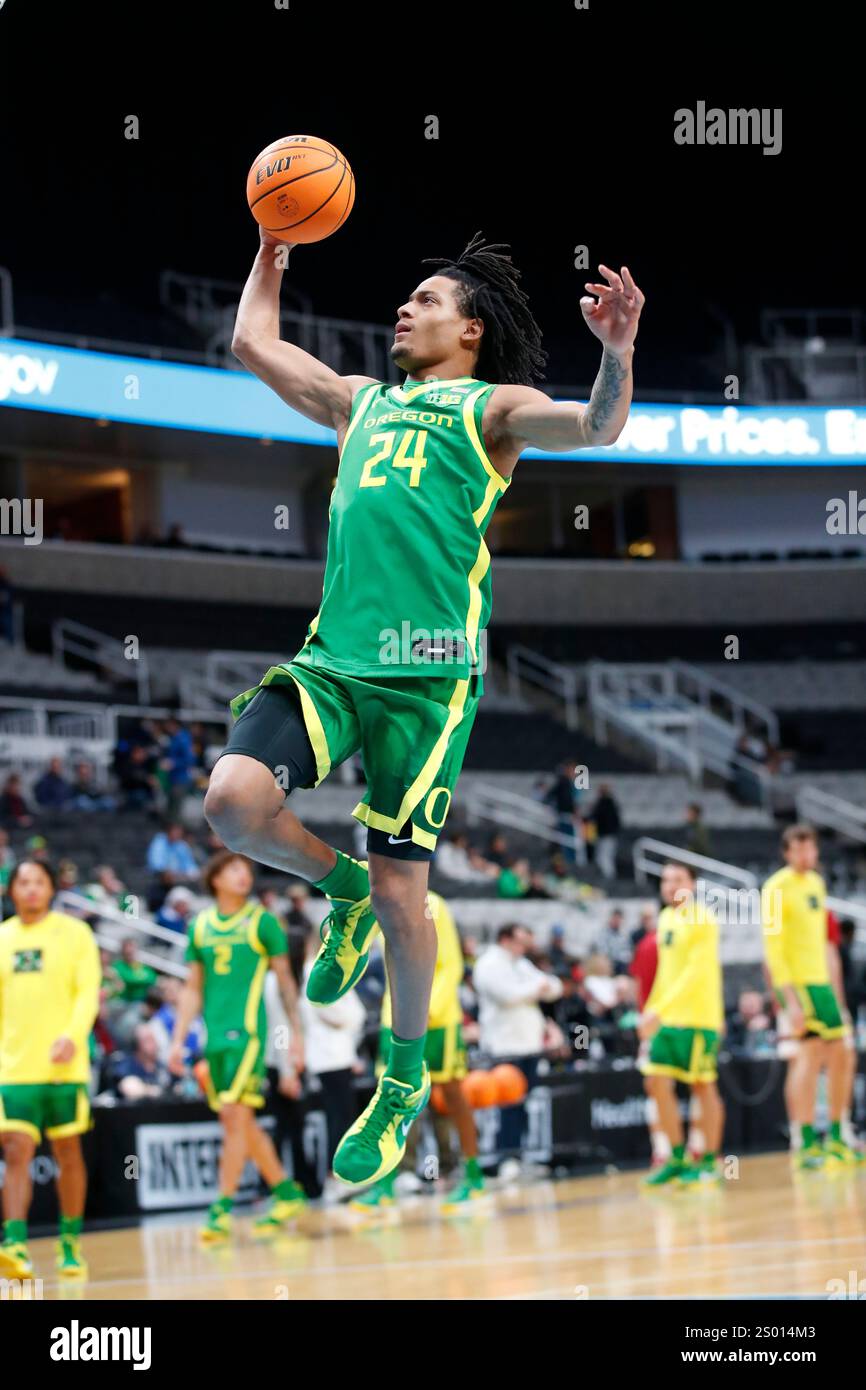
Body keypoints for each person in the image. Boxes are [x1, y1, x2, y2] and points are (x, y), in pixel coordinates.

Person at [202, 227, 642, 1190]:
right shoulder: (359, 404)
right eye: (405, 301)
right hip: (333, 660)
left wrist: (617, 352)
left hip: (429, 678)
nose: (404, 310)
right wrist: (272, 252)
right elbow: (251, 344)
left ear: (471, 329)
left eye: (426, 301)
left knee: (412, 893)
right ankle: (339, 885)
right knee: (232, 801)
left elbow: (599, 427)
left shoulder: (493, 410)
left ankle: (402, 1083)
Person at [168, 851, 306, 1242]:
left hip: (247, 1037)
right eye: (233, 869)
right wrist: (178, 1040)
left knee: (232, 1117)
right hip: (214, 1038)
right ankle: (285, 1192)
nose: (243, 876)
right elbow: (193, 988)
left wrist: (295, 1037)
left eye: (246, 869)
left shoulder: (262, 922)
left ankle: (221, 1208)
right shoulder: (199, 927)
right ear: (215, 879)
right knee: (238, 1121)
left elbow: (285, 983)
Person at [351, 891, 484, 1213]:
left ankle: (474, 1176)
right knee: (390, 1103)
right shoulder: (382, 902)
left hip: (436, 1019)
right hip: (393, 1017)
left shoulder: (436, 904)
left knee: (453, 1096)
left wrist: (424, 1008)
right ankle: (384, 1185)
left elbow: (450, 966)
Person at [0, 860, 101, 1279]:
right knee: (16, 1150)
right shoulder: (2, 937)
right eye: (23, 882)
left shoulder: (75, 933)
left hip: (65, 1067)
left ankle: (70, 1244)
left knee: (67, 1153)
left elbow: (88, 991)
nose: (31, 889)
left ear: (51, 888)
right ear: (12, 891)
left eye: (39, 881)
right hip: (14, 1069)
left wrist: (73, 1035)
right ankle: (16, 1245)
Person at [762, 826, 858, 1169]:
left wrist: (835, 992)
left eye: (810, 850)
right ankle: (803, 1142)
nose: (805, 856)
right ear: (786, 853)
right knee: (806, 1057)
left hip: (822, 986)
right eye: (798, 850)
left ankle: (835, 1135)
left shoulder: (817, 885)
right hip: (797, 985)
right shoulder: (774, 888)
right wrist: (788, 999)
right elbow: (772, 949)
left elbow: (823, 946)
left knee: (843, 1055)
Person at [638, 861, 725, 1188]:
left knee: (703, 1087)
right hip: (667, 1017)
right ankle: (675, 1156)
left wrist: (659, 1010)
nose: (671, 885)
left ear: (693, 884)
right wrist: (651, 1010)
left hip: (698, 1018)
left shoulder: (703, 918)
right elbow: (667, 973)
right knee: (656, 1083)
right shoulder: (665, 918)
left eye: (678, 879)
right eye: (666, 880)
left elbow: (694, 973)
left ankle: (711, 1159)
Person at [472, 925, 563, 1162]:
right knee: (507, 1105)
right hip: (504, 1048)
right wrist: (536, 988)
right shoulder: (488, 964)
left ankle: (521, 1156)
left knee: (524, 1103)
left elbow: (555, 987)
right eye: (521, 942)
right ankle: (504, 1158)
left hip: (529, 1046)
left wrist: (534, 988)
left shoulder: (521, 963)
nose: (525, 948)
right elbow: (507, 996)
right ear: (505, 939)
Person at [146, 822, 200, 910]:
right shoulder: (159, 842)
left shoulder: (181, 845)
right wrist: (168, 872)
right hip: (160, 880)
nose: (178, 834)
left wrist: (190, 873)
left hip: (179, 880)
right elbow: (157, 864)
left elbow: (189, 865)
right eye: (175, 831)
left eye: (179, 832)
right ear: (168, 831)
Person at [114, 1024, 171, 1099]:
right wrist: (149, 1090)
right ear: (136, 1044)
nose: (154, 1043)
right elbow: (127, 1086)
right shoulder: (126, 1067)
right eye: (148, 1040)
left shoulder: (162, 1066)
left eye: (154, 1039)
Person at [591, 783, 620, 880]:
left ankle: (609, 879)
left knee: (604, 858)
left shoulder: (603, 803)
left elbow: (595, 816)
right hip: (608, 834)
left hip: (606, 835)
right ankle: (608, 878)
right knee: (604, 858)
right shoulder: (611, 803)